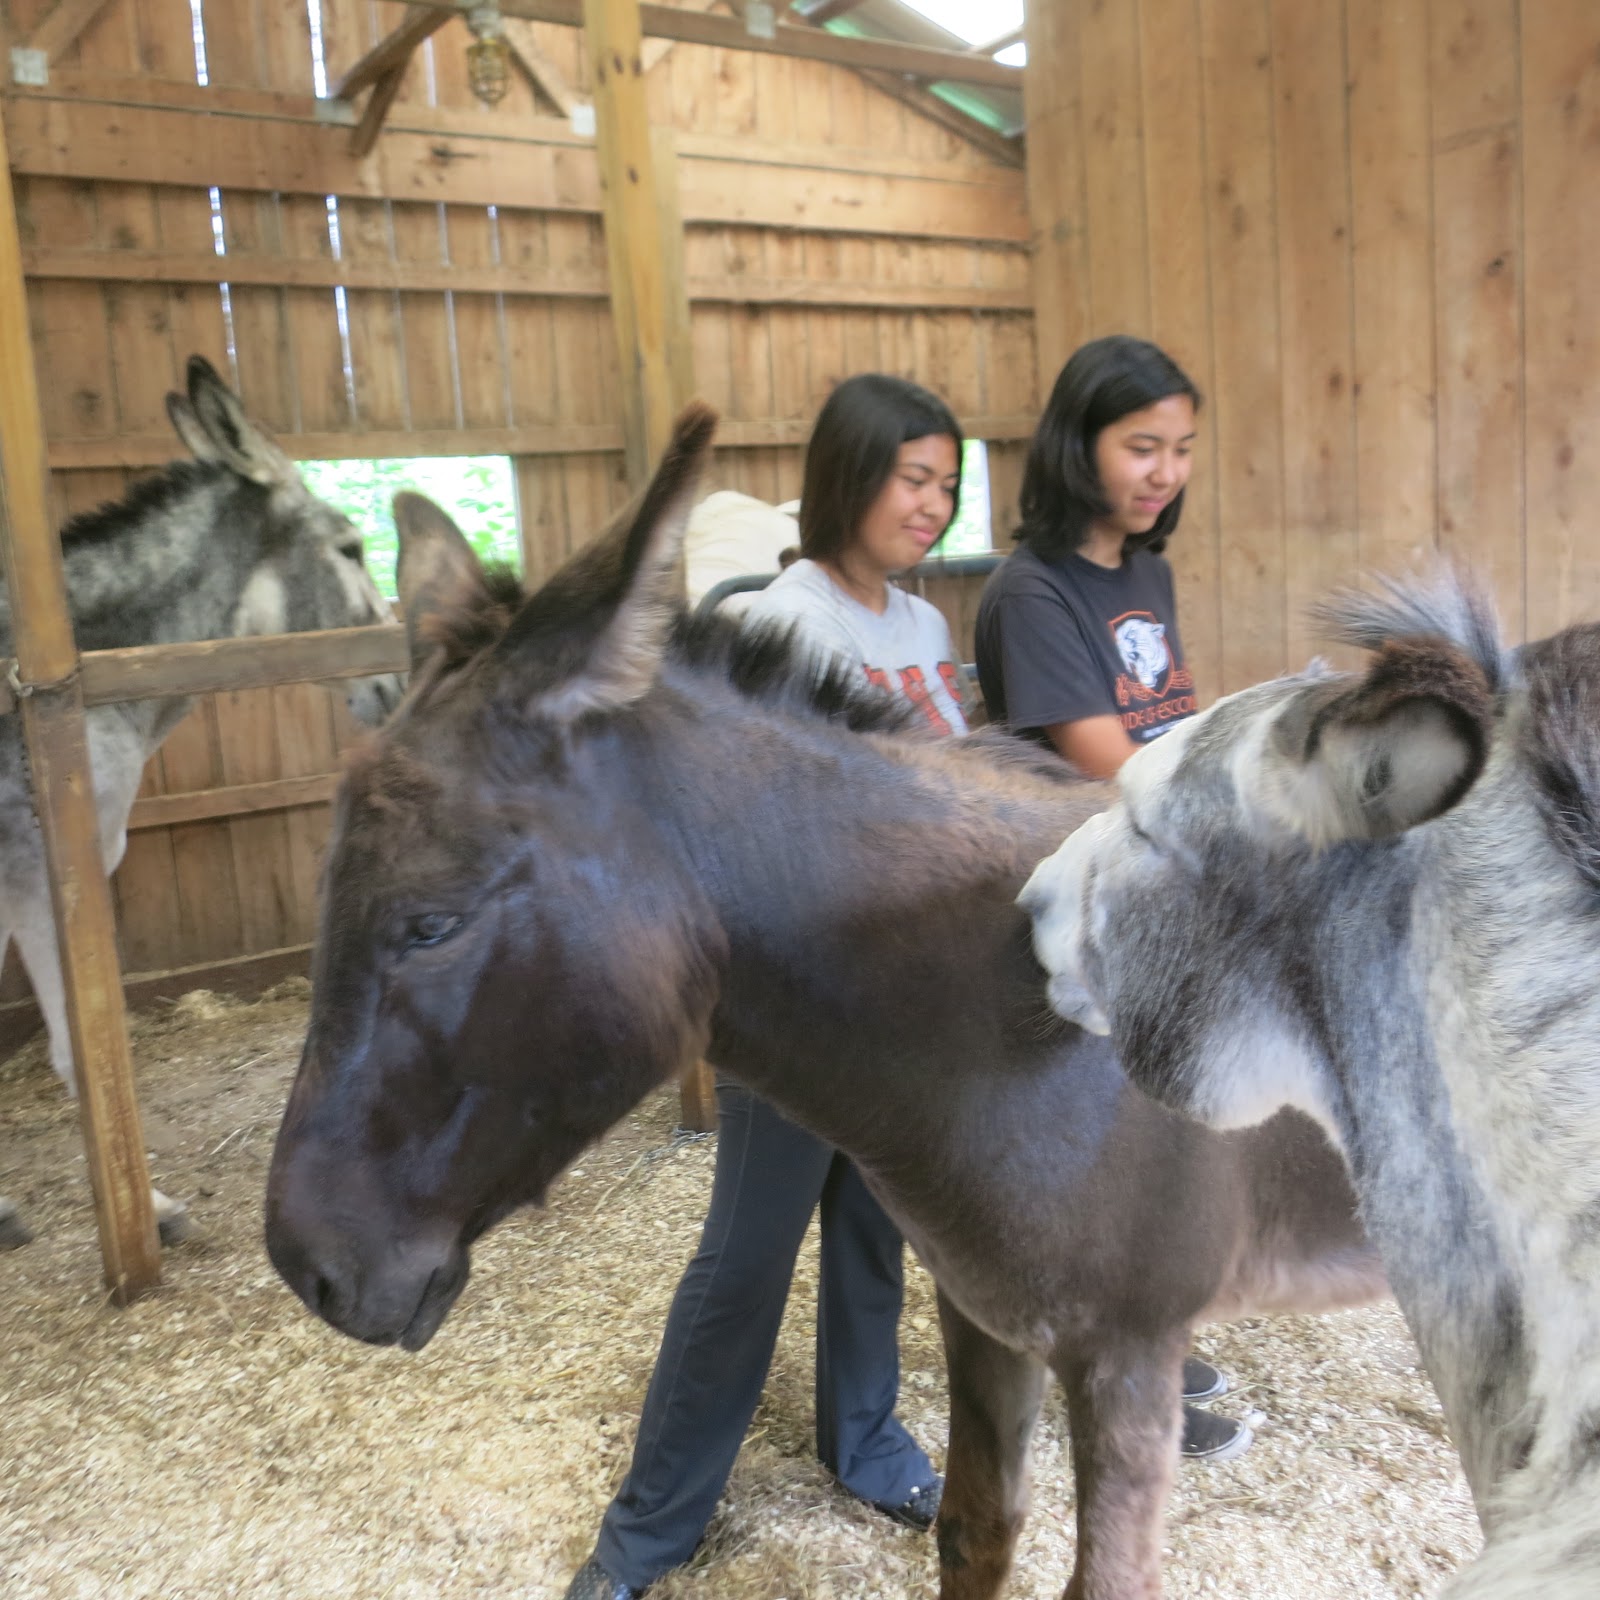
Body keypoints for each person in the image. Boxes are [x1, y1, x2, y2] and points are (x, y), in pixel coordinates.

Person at [564, 374, 969, 1600]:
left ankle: (867, 1441)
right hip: (799, 997)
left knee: (874, 1229)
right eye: (913, 478)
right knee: (744, 1257)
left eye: (946, 484)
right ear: (848, 475)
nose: (933, 505)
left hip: (899, 992)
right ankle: (646, 1531)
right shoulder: (788, 622)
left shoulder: (923, 628)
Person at [973, 333, 1249, 1462]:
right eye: (1141, 446)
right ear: (1075, 444)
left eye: (1181, 449)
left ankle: (1156, 1339)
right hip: (1070, 899)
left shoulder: (1146, 571)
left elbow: (1166, 719)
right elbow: (1104, 756)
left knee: (1161, 1127)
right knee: (1101, 1148)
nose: (1164, 472)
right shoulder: (1031, 593)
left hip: (1151, 879)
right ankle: (1126, 1365)